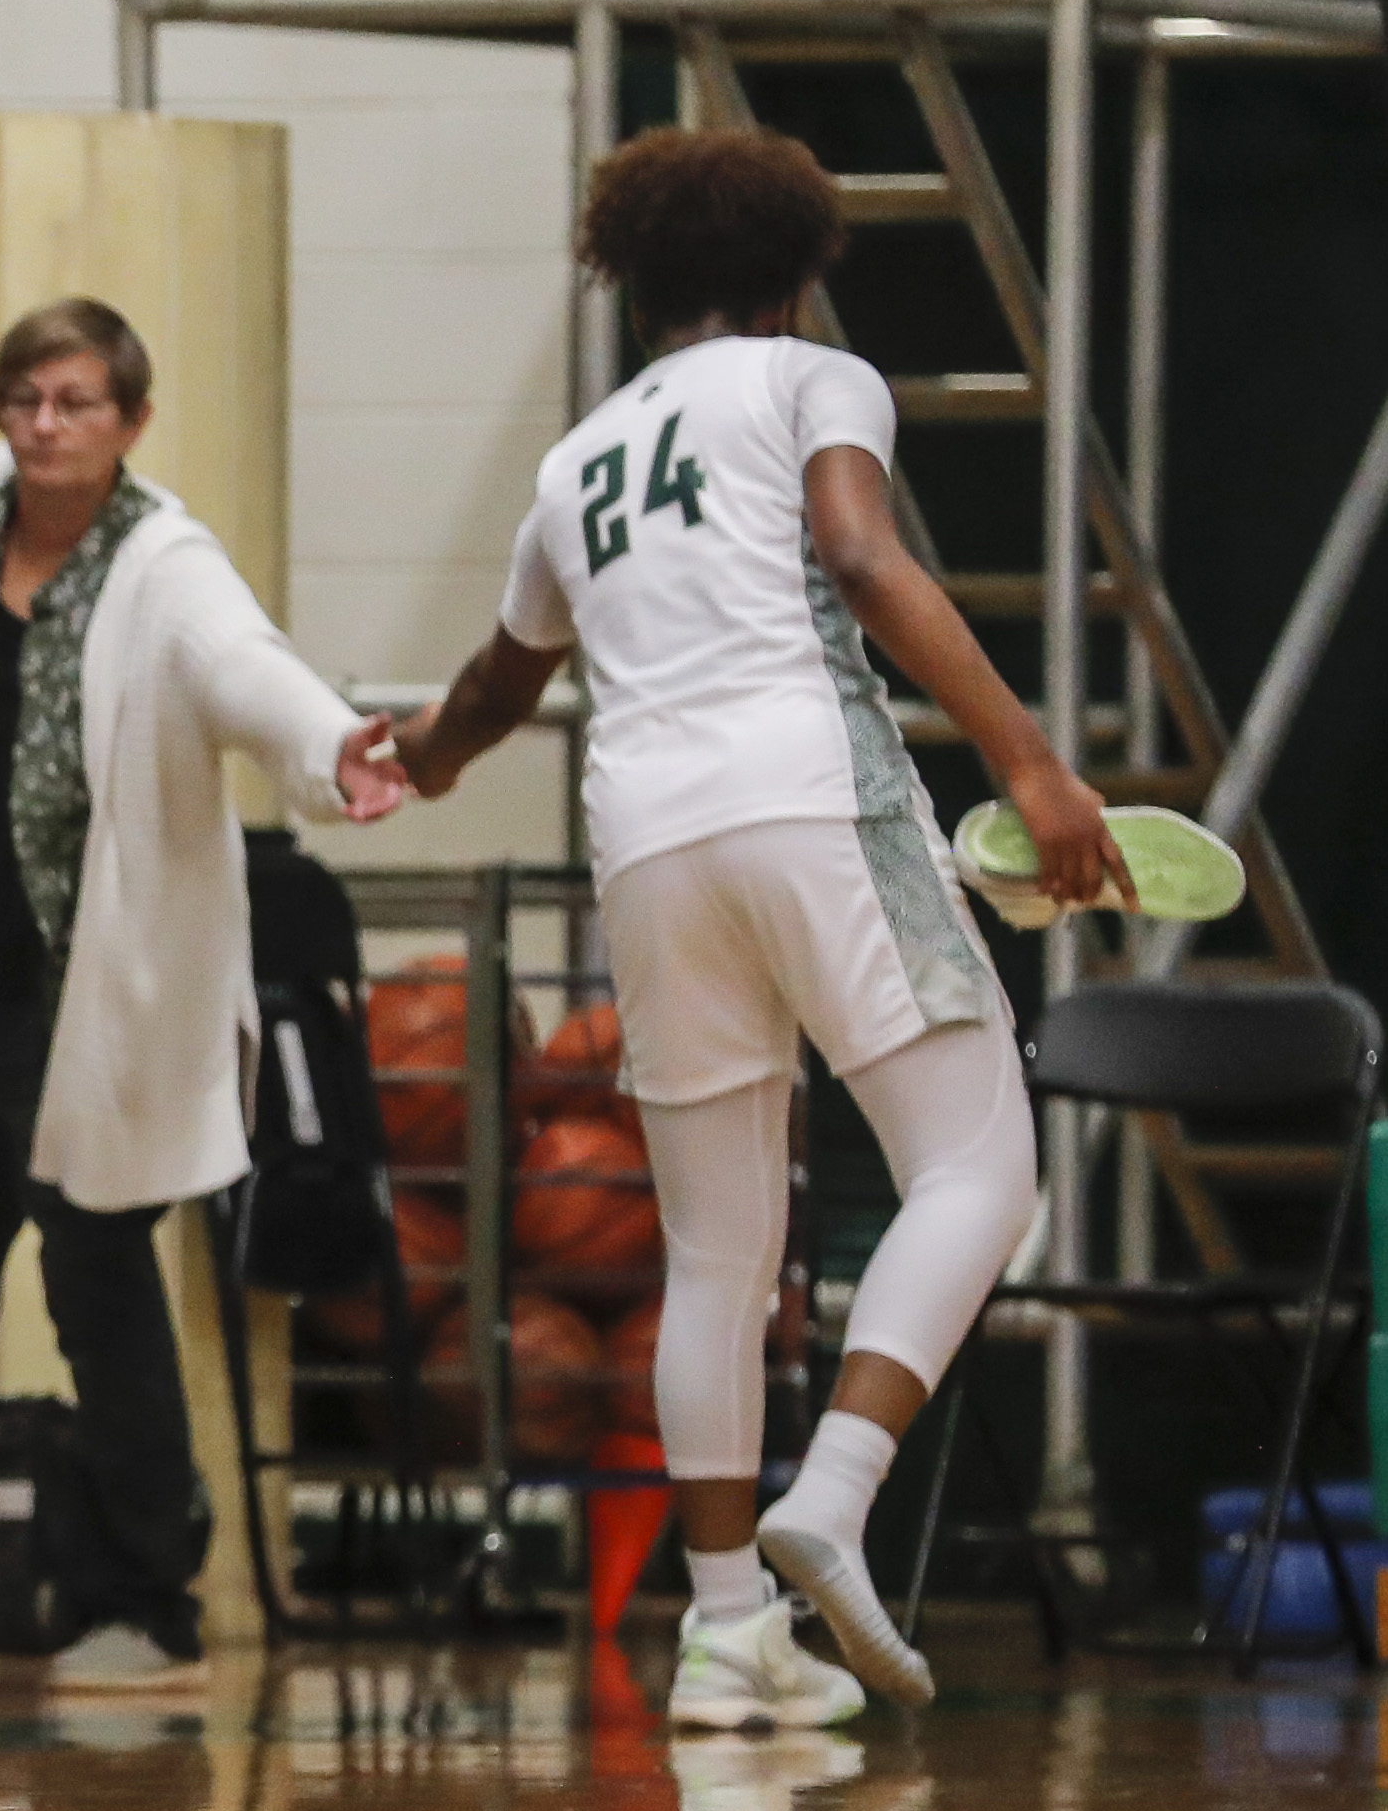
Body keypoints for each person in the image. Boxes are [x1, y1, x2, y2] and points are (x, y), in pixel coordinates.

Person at [386, 126, 1127, 1729]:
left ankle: (725, 1635)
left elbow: (497, 687)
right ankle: (836, 1491)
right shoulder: (811, 380)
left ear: (633, 281)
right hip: (807, 793)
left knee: (717, 1253)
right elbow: (859, 555)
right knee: (979, 1168)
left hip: (646, 847)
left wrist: (413, 760)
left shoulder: (571, 461)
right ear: (797, 274)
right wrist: (1029, 761)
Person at [0, 297, 408, 1688]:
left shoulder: (164, 565)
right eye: (23, 396)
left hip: (77, 1003)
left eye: (76, 401)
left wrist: (336, 752)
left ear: (130, 421)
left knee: (97, 1284)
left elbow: (250, 676)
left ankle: (151, 1593)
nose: (43, 424)